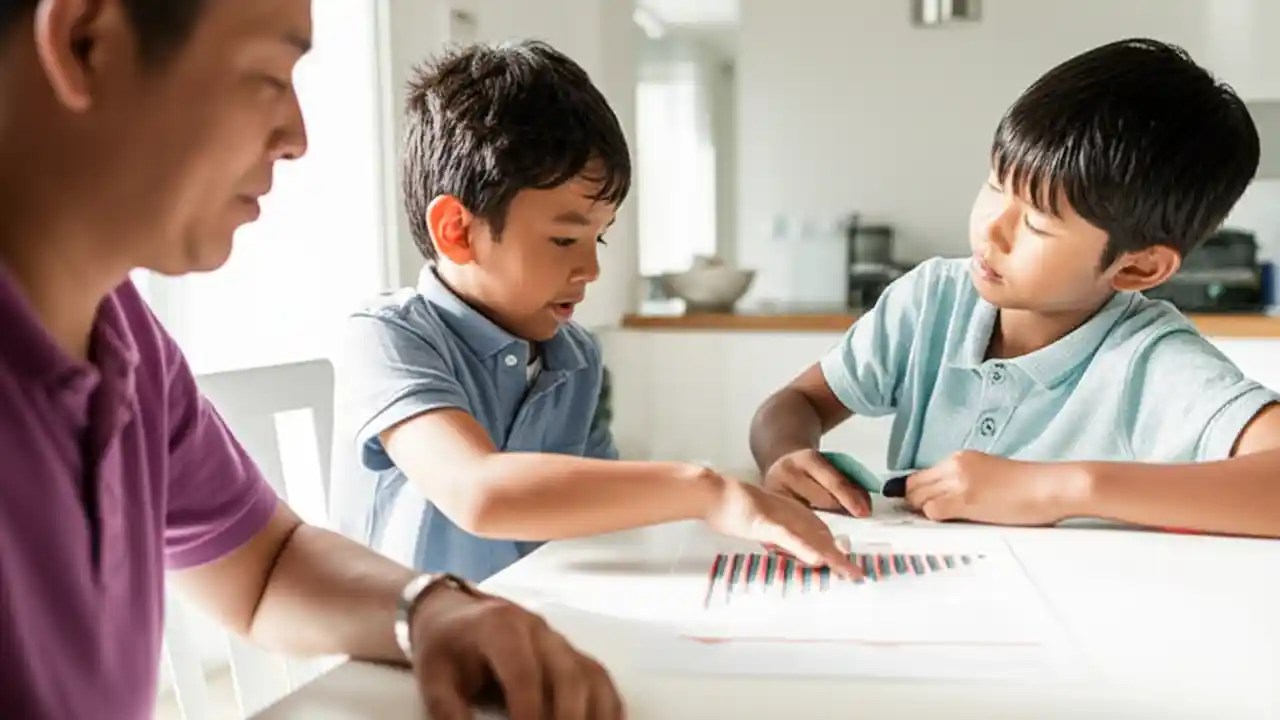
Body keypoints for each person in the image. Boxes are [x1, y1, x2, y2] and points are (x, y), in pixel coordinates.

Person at [0, 1, 623, 718]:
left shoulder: (128, 342)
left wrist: (428, 610)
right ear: (86, 45)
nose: (297, 137)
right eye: (269, 74)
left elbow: (264, 568)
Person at [332, 39, 857, 583]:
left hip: (525, 625)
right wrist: (710, 490)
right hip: (402, 653)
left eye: (598, 240)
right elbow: (478, 493)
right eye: (564, 239)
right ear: (457, 231)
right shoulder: (390, 338)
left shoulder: (575, 355)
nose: (591, 269)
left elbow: (605, 517)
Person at [750, 38, 1280, 537]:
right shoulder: (932, 300)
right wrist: (785, 453)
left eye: (1038, 222)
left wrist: (1064, 488)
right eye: (995, 184)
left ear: (1137, 268)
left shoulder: (1149, 362)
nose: (991, 229)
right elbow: (796, 402)